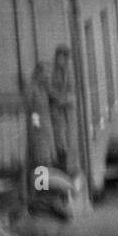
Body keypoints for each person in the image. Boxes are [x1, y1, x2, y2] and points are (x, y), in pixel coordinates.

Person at [48, 45, 75, 173]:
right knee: (57, 141)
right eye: (61, 57)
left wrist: (67, 99)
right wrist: (59, 98)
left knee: (65, 141)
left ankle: (64, 169)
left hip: (64, 111)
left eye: (65, 58)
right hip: (53, 112)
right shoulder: (50, 72)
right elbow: (49, 89)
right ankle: (59, 168)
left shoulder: (68, 73)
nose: (63, 61)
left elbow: (71, 90)